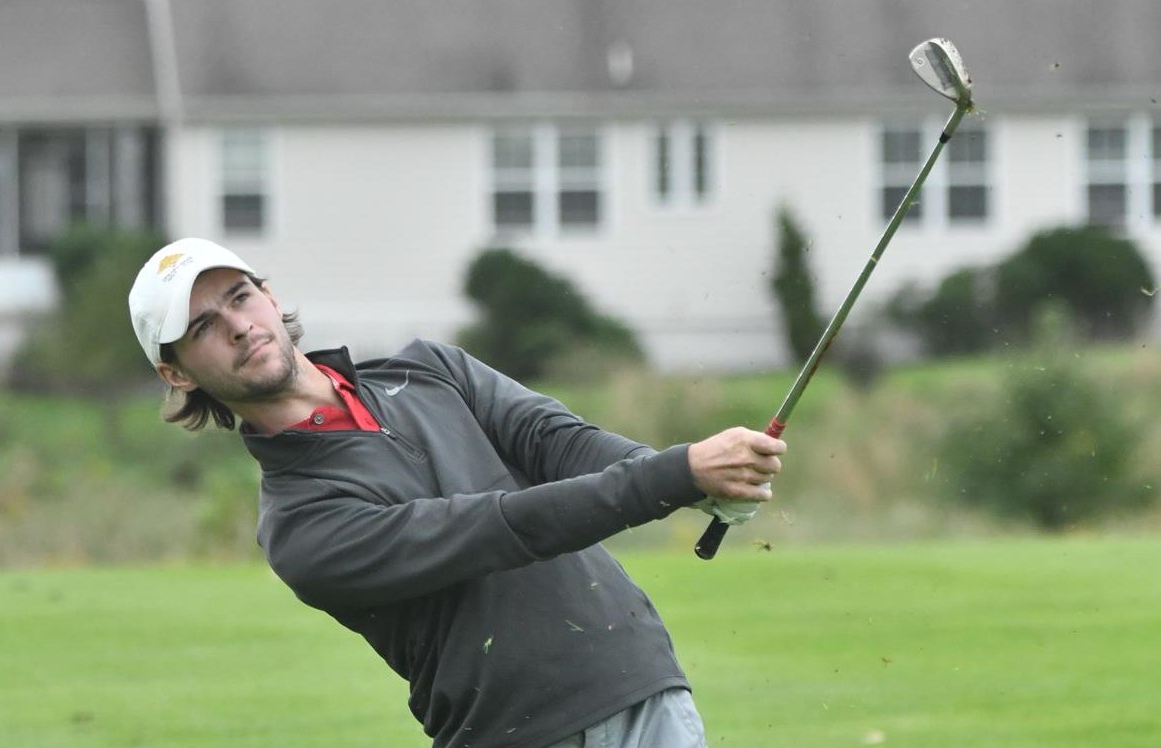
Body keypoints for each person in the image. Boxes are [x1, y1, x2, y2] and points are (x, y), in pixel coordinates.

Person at [128, 237, 787, 748]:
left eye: (239, 297)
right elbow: (501, 528)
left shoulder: (429, 369)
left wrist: (694, 484)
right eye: (201, 327)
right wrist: (674, 475)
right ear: (175, 371)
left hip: (644, 683)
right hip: (522, 730)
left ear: (270, 296)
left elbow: (557, 443)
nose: (237, 325)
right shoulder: (302, 527)